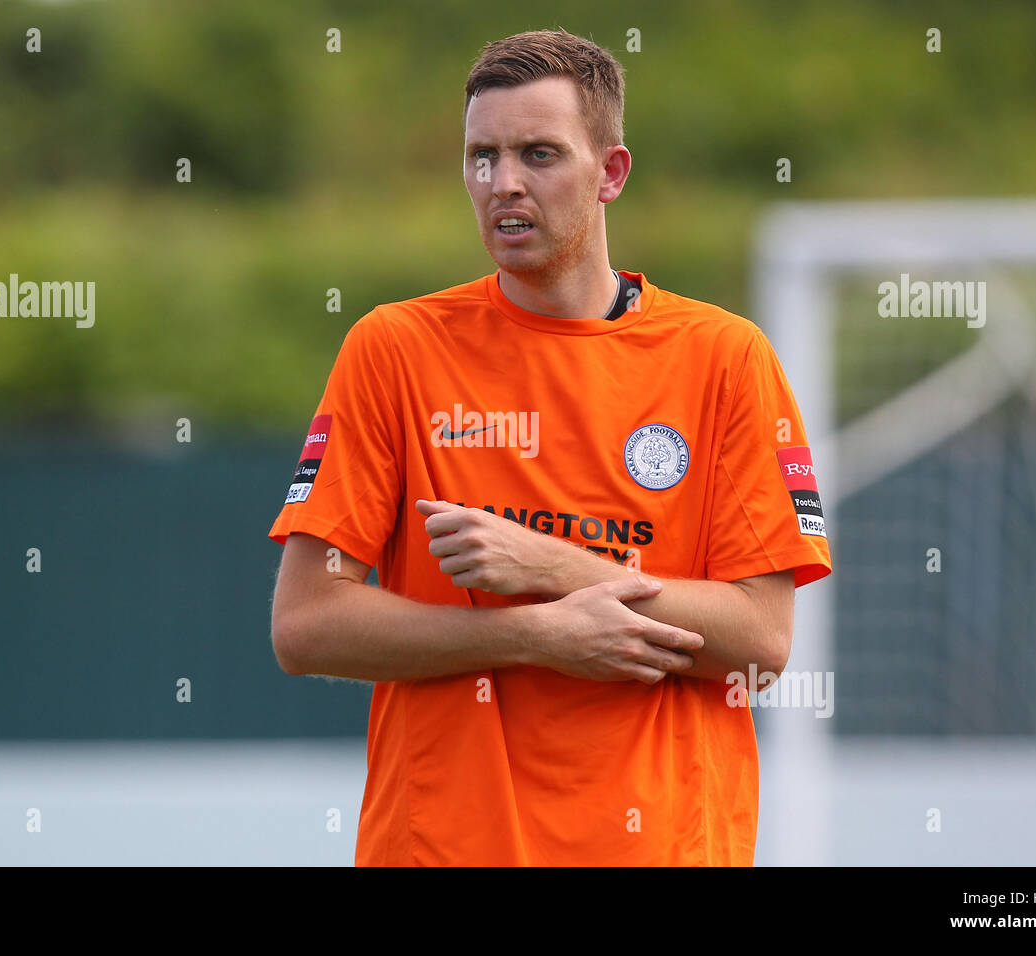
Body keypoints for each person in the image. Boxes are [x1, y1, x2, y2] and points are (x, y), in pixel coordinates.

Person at [269, 28, 831, 866]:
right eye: (481, 157)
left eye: (539, 154)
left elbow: (761, 641)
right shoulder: (394, 349)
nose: (504, 184)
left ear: (610, 173)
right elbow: (307, 625)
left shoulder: (724, 358)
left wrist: (555, 567)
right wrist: (532, 637)